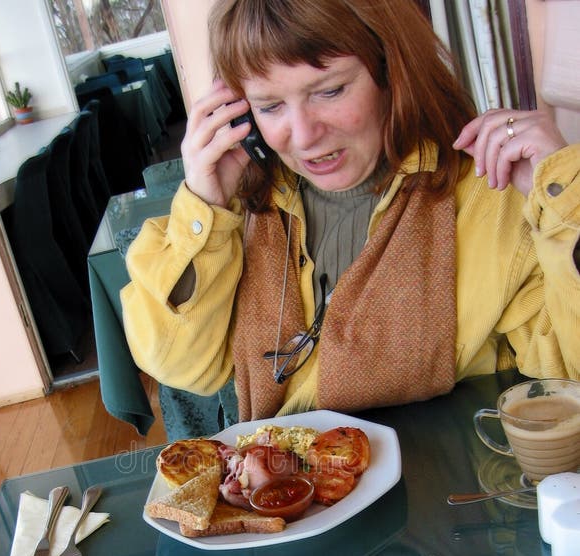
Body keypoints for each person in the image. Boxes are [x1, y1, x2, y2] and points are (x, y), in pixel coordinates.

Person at [121, 0, 579, 424]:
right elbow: (180, 365)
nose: (303, 136)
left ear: (392, 71)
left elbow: (569, 374)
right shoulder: (242, 210)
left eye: (330, 91)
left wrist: (568, 205)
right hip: (282, 481)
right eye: (270, 106)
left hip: (434, 480)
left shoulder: (490, 196)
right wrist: (205, 209)